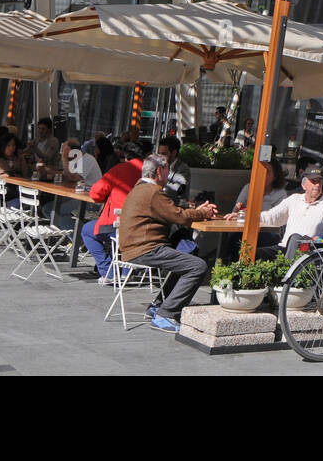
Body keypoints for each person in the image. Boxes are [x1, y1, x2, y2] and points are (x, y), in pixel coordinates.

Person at [117, 154, 220, 332]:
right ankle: (167, 314)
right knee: (198, 266)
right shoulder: (152, 192)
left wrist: (197, 211)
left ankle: (158, 306)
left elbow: (173, 212)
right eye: (167, 170)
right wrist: (202, 212)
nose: (168, 174)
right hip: (145, 249)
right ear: (159, 171)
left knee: (188, 258)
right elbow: (178, 216)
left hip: (136, 248)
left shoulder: (139, 189)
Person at [82, 142, 144, 283]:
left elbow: (96, 193)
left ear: (126, 157)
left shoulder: (119, 169)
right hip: (144, 227)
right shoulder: (151, 171)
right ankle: (128, 270)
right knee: (130, 233)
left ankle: (108, 272)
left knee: (87, 230)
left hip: (118, 226)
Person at [243, 164, 323, 249]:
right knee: (252, 253)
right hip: (284, 247)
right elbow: (272, 216)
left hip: (309, 252)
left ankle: (287, 268)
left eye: (319, 181)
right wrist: (246, 215)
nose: (317, 185)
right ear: (303, 185)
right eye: (313, 181)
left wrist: (314, 240)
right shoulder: (294, 199)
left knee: (295, 238)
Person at [156, 136, 190, 202]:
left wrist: (156, 186)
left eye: (163, 154)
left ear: (174, 153)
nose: (160, 157)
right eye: (159, 153)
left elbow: (176, 190)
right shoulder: (159, 165)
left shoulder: (183, 169)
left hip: (176, 207)